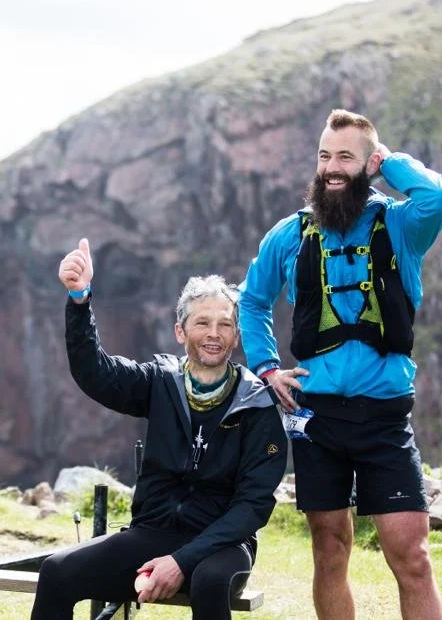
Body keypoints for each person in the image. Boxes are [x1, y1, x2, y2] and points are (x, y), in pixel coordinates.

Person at [239, 109, 442, 619]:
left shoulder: (402, 225)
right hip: (317, 419)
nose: (331, 167)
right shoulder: (290, 235)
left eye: (345, 157)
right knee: (329, 551)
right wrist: (269, 369)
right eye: (323, 156)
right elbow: (252, 301)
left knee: (413, 555)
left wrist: (392, 163)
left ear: (368, 165)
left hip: (384, 418)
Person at [32, 239, 287, 620]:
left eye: (224, 325)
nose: (213, 333)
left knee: (209, 582)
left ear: (237, 336)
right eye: (201, 322)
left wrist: (180, 562)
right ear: (181, 332)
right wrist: (80, 300)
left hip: (224, 545)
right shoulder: (159, 381)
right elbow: (94, 373)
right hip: (152, 532)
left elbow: (251, 508)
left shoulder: (259, 403)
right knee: (56, 571)